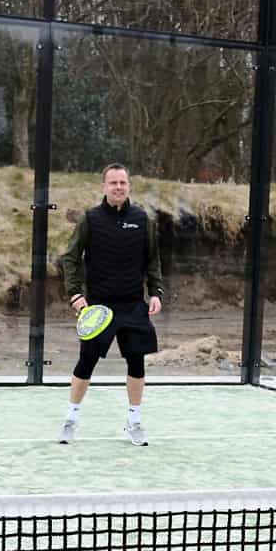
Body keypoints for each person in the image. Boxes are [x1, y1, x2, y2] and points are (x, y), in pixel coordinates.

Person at [58, 163, 164, 446]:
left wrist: (156, 292)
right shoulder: (90, 219)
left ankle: (134, 421)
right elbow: (69, 258)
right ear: (104, 187)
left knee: (137, 363)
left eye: (123, 183)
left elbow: (152, 260)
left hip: (133, 305)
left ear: (129, 186)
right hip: (99, 308)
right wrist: (76, 295)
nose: (119, 187)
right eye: (113, 183)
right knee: (86, 362)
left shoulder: (143, 219)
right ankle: (71, 419)